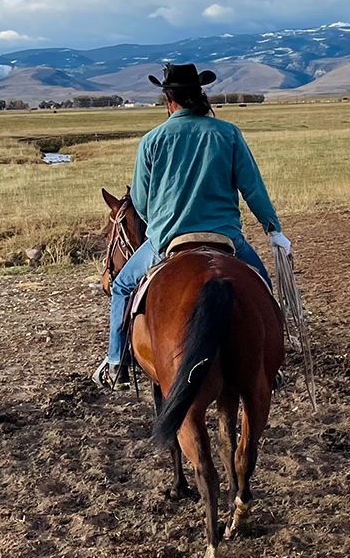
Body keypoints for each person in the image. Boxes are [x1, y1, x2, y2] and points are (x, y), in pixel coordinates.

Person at [96, 62, 291, 388]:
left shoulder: (152, 141)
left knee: (121, 287)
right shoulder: (228, 133)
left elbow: (141, 204)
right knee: (261, 285)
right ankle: (268, 363)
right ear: (200, 95)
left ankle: (116, 361)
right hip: (225, 238)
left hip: (167, 240)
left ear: (168, 99)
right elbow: (252, 188)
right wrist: (274, 229)